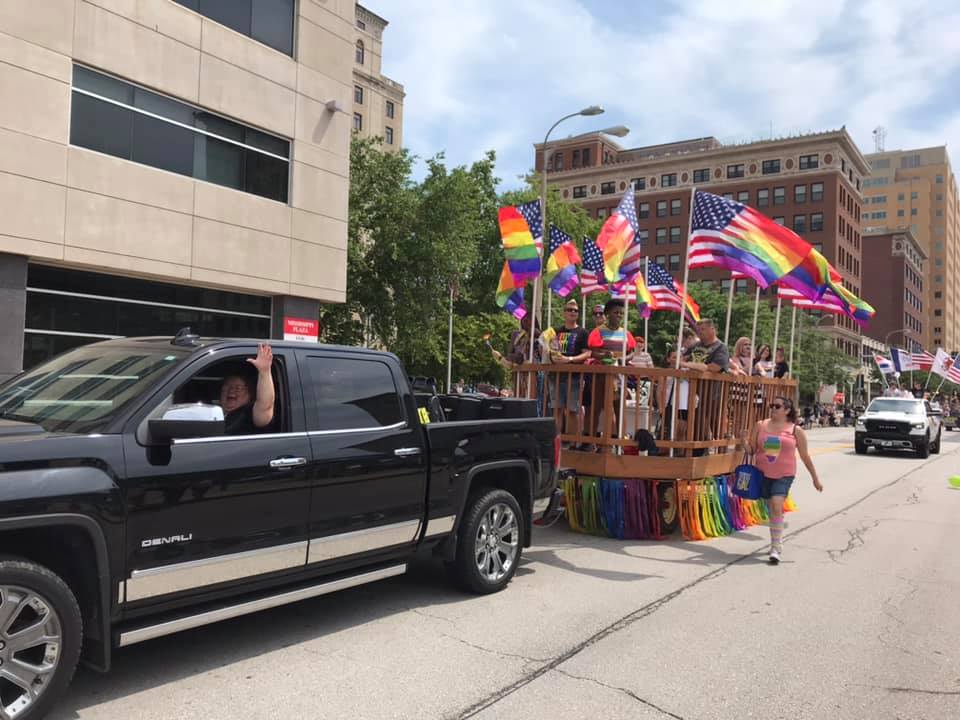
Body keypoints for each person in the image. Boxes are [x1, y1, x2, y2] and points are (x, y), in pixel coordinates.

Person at [743, 395, 823, 564]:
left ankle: (775, 547)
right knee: (771, 509)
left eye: (777, 406)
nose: (772, 408)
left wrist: (815, 478)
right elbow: (751, 450)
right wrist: (743, 441)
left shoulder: (795, 430)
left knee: (777, 506)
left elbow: (805, 456)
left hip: (784, 475)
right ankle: (777, 538)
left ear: (787, 410)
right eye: (771, 405)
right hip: (762, 474)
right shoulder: (760, 425)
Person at [586, 299, 636, 444]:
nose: (619, 316)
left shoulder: (625, 332)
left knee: (619, 408)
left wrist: (623, 359)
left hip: (619, 375)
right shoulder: (598, 331)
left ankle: (620, 442)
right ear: (608, 314)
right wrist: (604, 356)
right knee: (596, 407)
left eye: (621, 313)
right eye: (616, 313)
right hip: (601, 374)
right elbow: (593, 352)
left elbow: (632, 353)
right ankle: (591, 441)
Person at [548, 299, 591, 443]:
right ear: (564, 312)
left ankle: (573, 442)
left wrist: (570, 359)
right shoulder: (556, 331)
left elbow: (587, 353)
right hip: (556, 376)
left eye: (575, 310)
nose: (572, 312)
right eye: (569, 309)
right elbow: (550, 350)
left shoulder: (583, 332)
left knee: (573, 410)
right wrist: (553, 357)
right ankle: (556, 441)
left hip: (574, 377)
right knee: (557, 409)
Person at [220, 343, 275, 435]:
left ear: (250, 394)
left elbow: (265, 406)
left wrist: (264, 372)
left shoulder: (248, 414)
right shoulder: (212, 412)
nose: (231, 390)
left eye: (238, 388)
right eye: (227, 386)